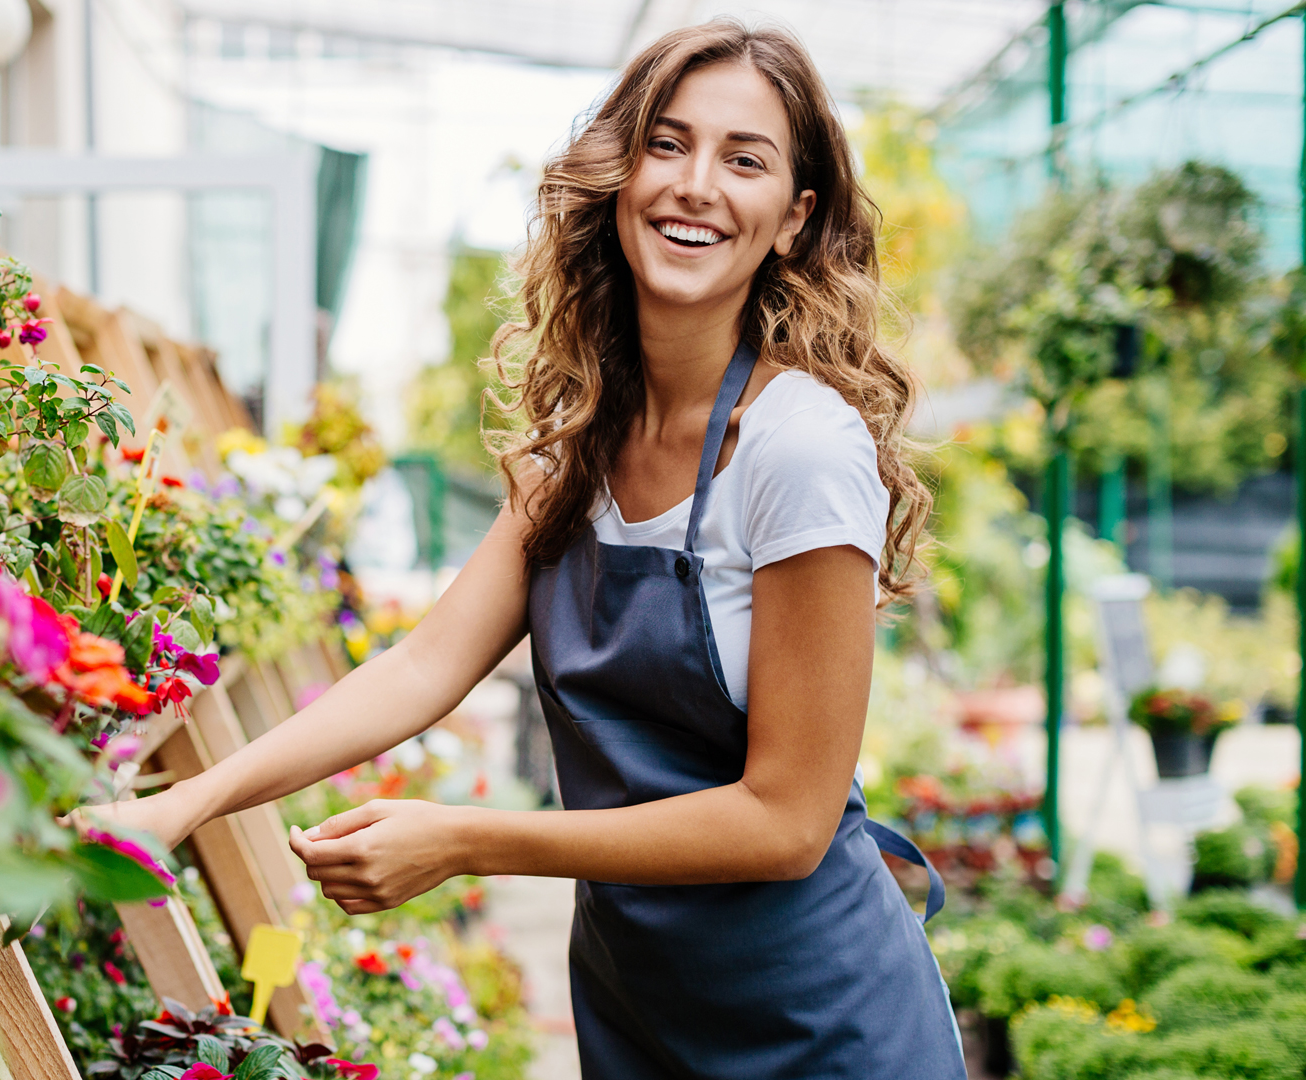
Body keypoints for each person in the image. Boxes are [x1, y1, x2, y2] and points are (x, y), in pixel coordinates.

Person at [99, 19, 966, 1079]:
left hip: (820, 1023)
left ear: (793, 220)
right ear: (618, 175)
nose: (696, 184)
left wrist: (468, 840)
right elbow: (423, 666)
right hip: (639, 1004)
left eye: (744, 160)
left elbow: (786, 819)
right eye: (667, 143)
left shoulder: (798, 446)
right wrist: (182, 803)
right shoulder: (585, 444)